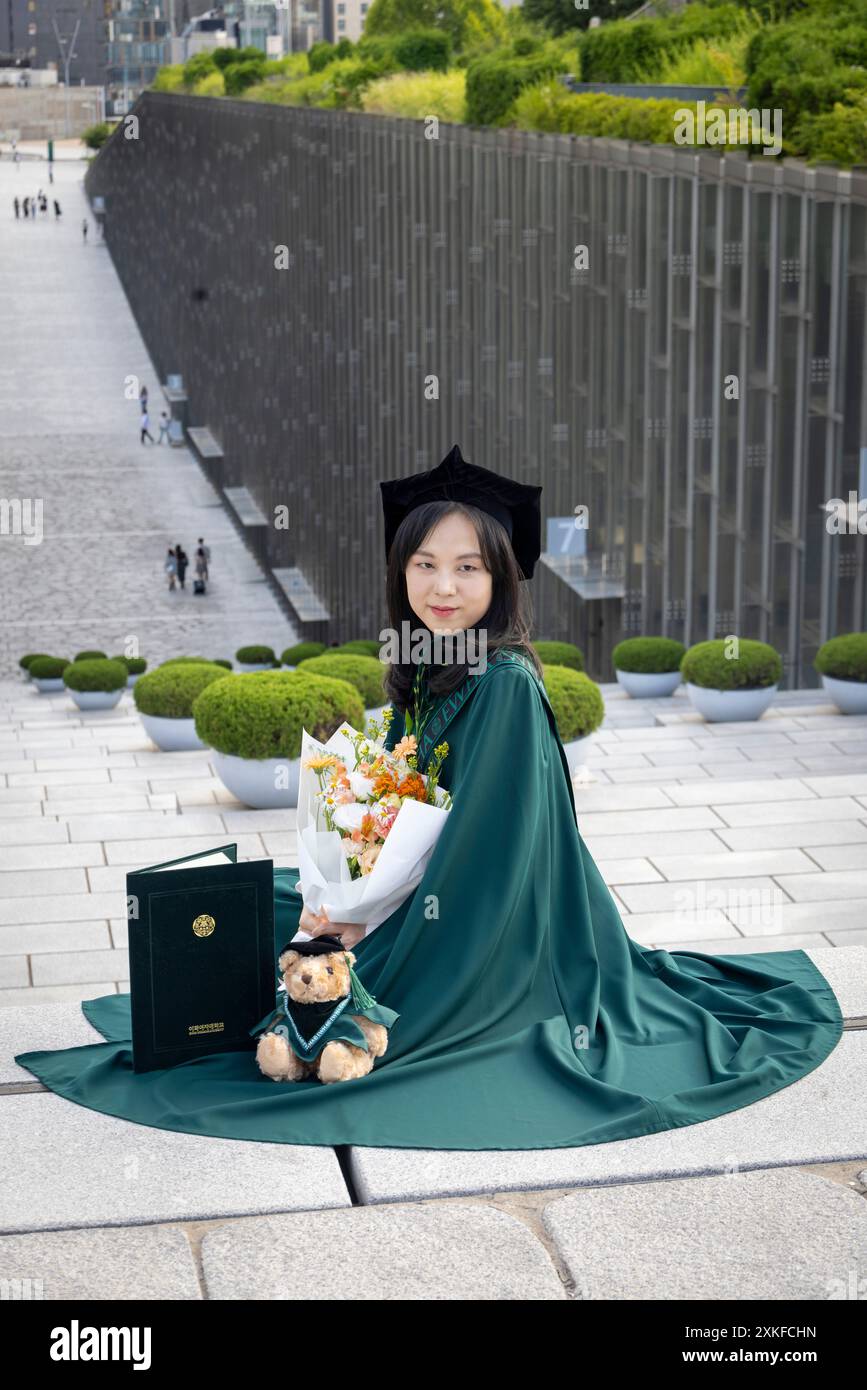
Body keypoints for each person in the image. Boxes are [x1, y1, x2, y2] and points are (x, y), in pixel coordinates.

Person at [10, 444, 844, 1155]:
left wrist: (361, 922)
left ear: (501, 577)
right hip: (424, 879)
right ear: (399, 569)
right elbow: (398, 801)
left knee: (313, 948)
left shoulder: (506, 684)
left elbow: (487, 854)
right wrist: (341, 890)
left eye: (468, 568)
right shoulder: (425, 662)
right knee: (263, 905)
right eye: (424, 564)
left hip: (500, 918)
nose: (443, 587)